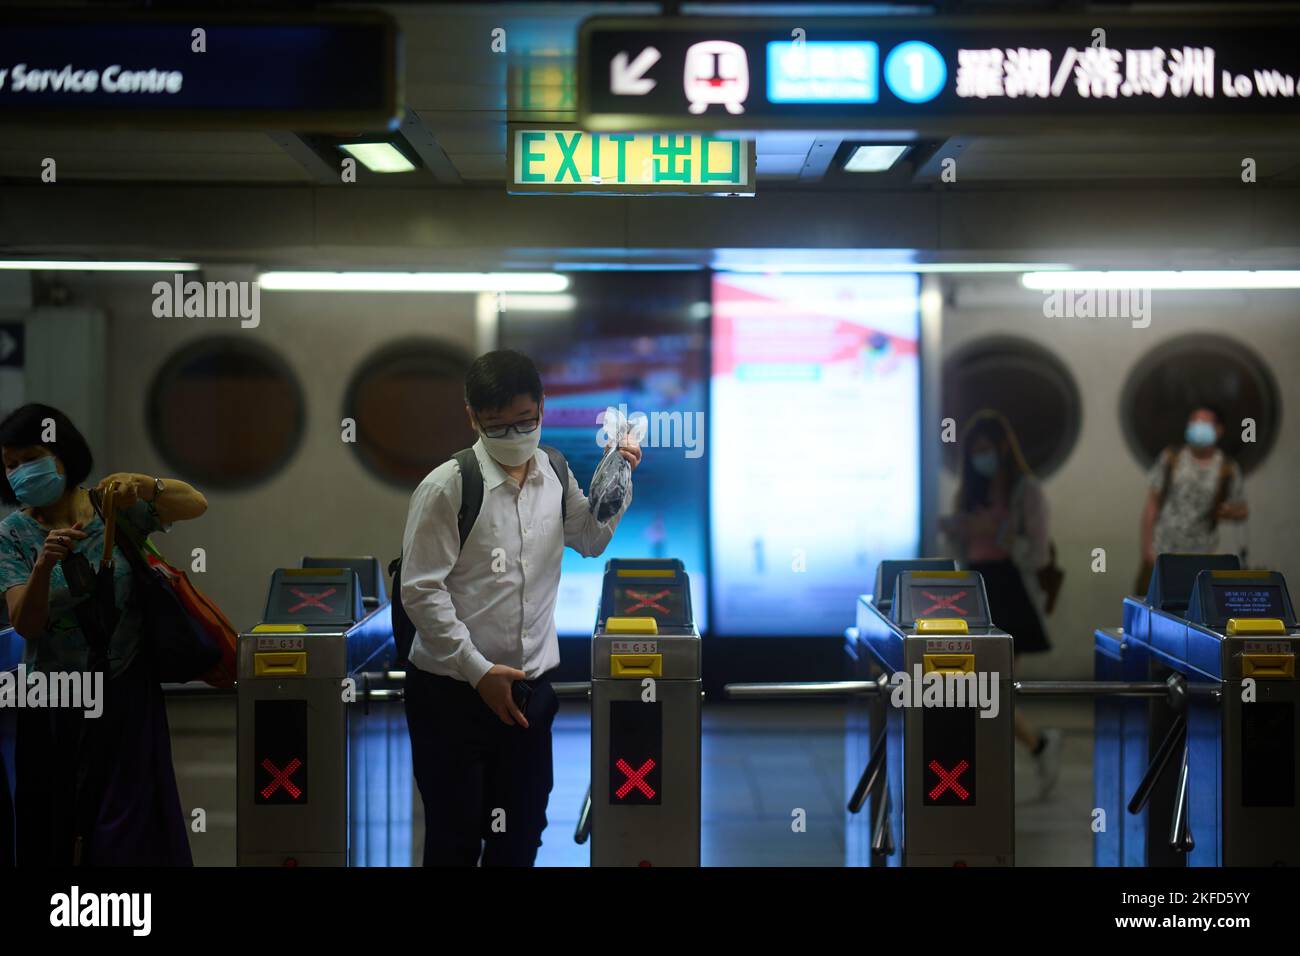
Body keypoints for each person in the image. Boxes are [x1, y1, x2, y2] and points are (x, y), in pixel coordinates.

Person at [401, 350, 641, 866]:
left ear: (542, 408)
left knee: (522, 835)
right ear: (473, 417)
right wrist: (478, 670)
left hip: (529, 695)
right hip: (452, 695)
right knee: (455, 841)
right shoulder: (448, 486)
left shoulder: (553, 470)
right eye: (498, 426)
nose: (514, 436)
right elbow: (421, 590)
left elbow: (588, 537)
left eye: (525, 422)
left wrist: (617, 477)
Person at [0, 403, 208, 865]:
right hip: (54, 697)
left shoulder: (111, 507)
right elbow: (25, 622)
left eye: (29, 458)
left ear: (62, 453)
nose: (19, 472)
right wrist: (43, 565)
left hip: (127, 687)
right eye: (9, 464)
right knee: (55, 820)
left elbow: (195, 503)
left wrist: (146, 485)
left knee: (129, 825)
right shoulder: (12, 534)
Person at [939, 410, 1062, 797]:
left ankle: (1026, 751)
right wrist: (958, 530)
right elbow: (961, 549)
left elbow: (1039, 553)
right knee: (978, 687)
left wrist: (998, 533)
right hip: (973, 589)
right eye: (974, 451)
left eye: (987, 449)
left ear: (1003, 449)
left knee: (992, 688)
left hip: (1010, 590)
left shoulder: (1025, 490)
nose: (981, 457)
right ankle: (1036, 746)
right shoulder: (971, 492)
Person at [1136, 405, 1248, 594]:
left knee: (1192, 608)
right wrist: (1147, 548)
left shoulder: (1227, 468)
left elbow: (1242, 510)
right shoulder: (1171, 458)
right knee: (1150, 609)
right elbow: (1152, 504)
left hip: (1201, 557)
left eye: (1204, 422)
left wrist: (1227, 512)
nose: (1198, 427)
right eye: (1194, 422)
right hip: (1162, 551)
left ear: (1218, 429)